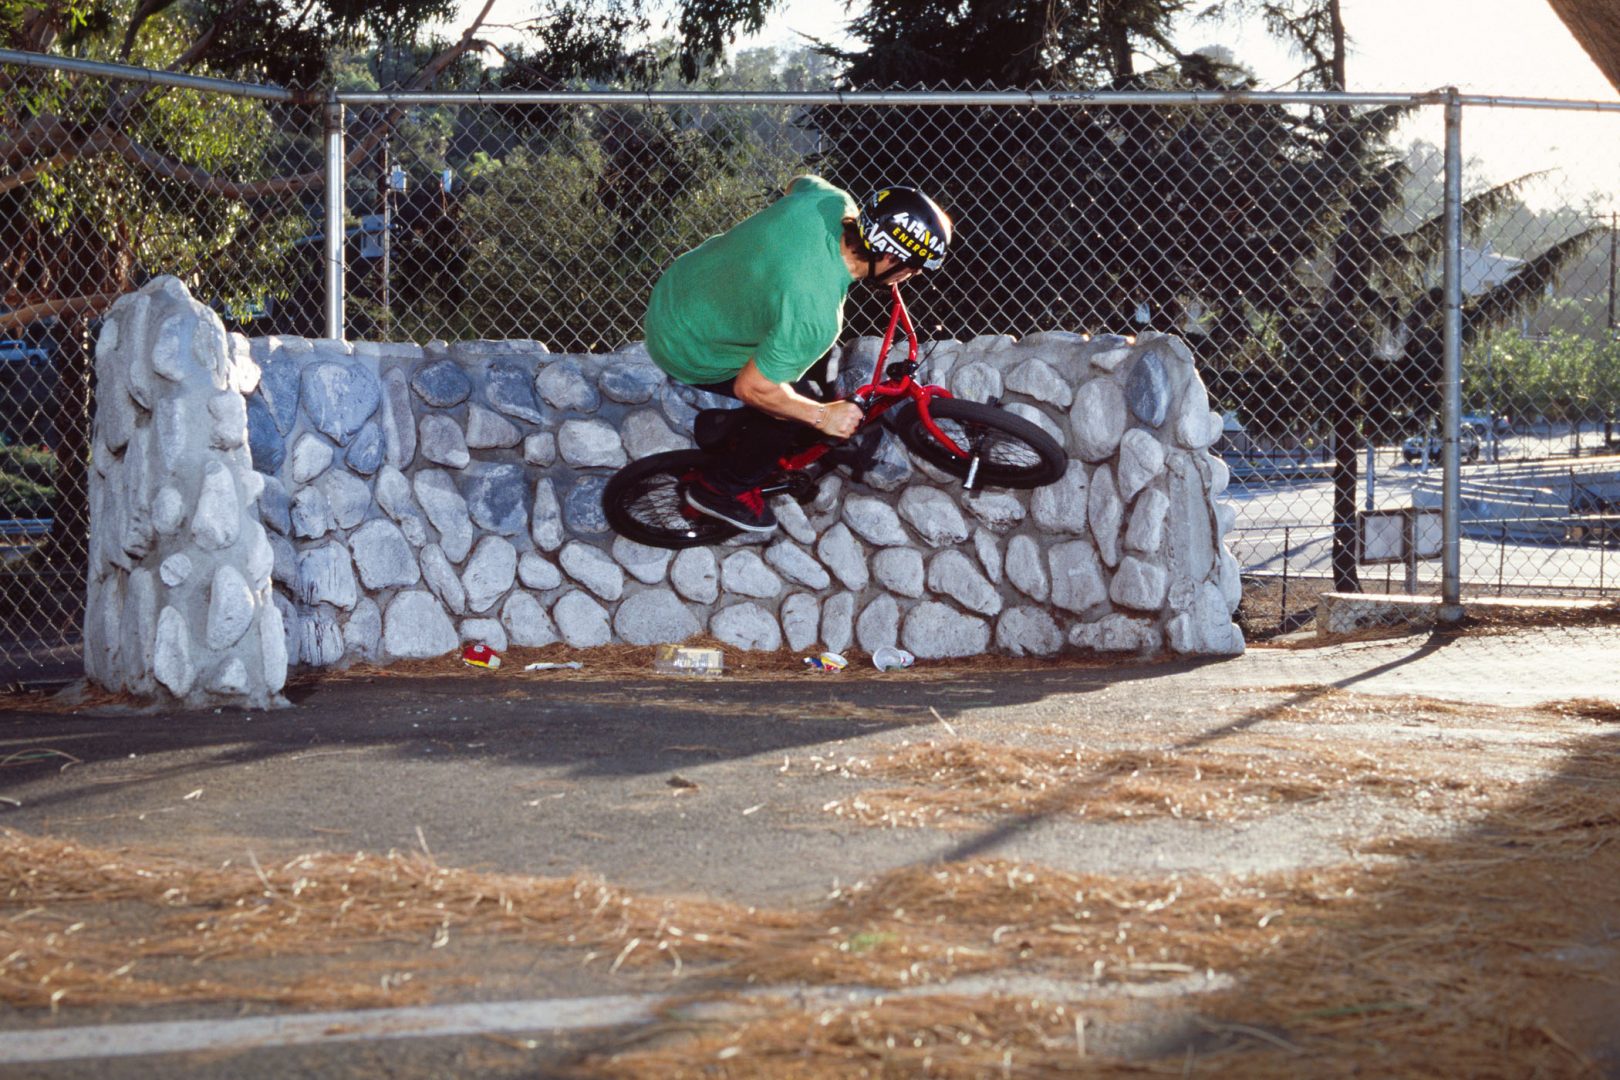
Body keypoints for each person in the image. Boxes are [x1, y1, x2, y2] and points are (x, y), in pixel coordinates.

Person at [643, 177, 953, 533]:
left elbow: (796, 184)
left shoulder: (830, 201)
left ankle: (733, 428)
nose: (911, 275)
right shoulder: (817, 316)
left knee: (802, 358)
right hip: (684, 345)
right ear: (887, 255)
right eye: (912, 266)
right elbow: (752, 388)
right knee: (792, 412)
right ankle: (719, 489)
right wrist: (822, 417)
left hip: (682, 287)